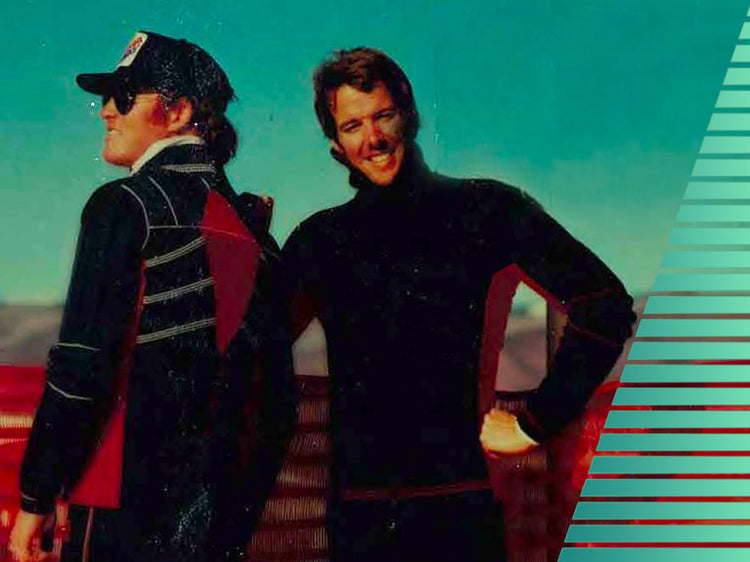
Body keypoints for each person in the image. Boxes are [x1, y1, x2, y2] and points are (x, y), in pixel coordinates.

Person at [282, 47, 635, 562]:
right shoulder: (317, 240)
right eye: (352, 125)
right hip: (358, 520)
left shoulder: (487, 208)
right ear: (335, 143)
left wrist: (537, 420)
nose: (373, 138)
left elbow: (604, 306)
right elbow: (256, 350)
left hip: (461, 509)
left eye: (383, 116)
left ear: (410, 116)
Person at [10, 31, 295, 562]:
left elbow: (82, 367)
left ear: (179, 111)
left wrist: (37, 496)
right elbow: (278, 404)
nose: (105, 112)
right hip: (217, 520)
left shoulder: (122, 205)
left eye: (123, 96)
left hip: (121, 508)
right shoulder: (253, 228)